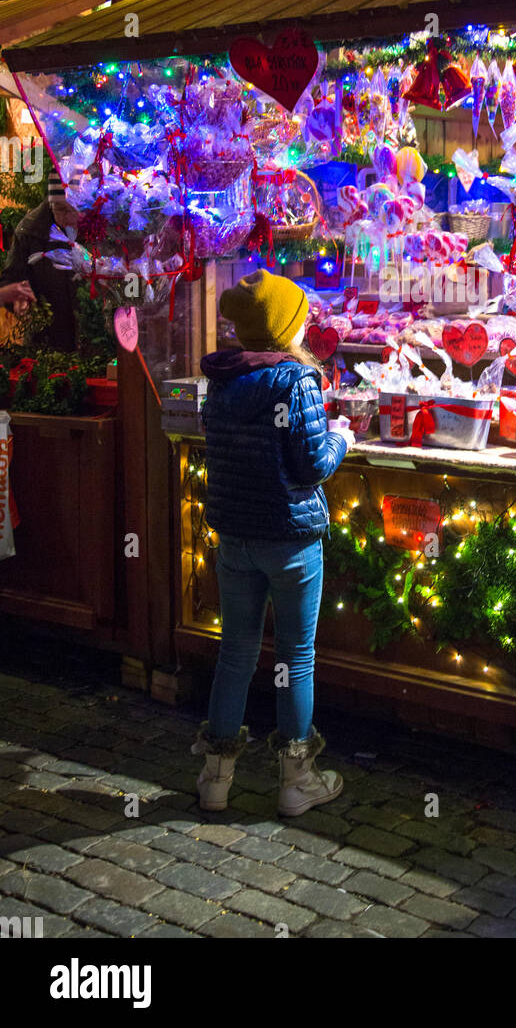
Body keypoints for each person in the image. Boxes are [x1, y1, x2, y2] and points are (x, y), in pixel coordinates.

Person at [193, 268, 355, 816]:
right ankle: (296, 782)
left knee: (235, 651)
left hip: (235, 538)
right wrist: (341, 438)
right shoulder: (296, 383)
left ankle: (215, 779)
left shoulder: (222, 381)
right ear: (287, 327)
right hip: (290, 540)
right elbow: (310, 465)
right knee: (296, 657)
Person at [0, 170, 80, 350]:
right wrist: (19, 301)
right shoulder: (30, 229)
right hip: (47, 341)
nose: (67, 218)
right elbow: (12, 279)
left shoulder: (100, 225)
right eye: (60, 210)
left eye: (72, 209)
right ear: (50, 204)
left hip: (96, 340)